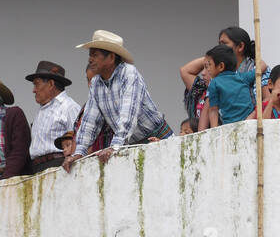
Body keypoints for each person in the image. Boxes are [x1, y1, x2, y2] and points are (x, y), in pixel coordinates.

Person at [65, 30, 172, 171]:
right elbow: (90, 121)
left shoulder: (129, 73)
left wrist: (115, 146)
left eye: (95, 55)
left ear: (111, 57)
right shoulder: (96, 82)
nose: (90, 59)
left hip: (156, 138)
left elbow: (127, 114)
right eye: (90, 55)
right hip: (130, 144)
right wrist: (80, 152)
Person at [26, 60, 80, 172]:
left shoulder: (69, 107)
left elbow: (78, 142)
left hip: (59, 167)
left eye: (37, 84)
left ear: (51, 84)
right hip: (37, 169)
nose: (33, 90)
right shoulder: (41, 111)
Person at [200, 44, 260, 128]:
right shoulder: (242, 77)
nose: (208, 69)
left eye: (209, 65)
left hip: (230, 126)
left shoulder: (214, 83)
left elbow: (213, 109)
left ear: (221, 66)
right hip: (250, 123)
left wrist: (214, 130)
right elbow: (262, 67)